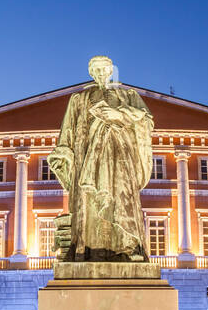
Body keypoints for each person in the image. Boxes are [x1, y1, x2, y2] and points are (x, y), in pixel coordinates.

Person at [48, 56, 155, 261]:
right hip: (88, 157)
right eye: (96, 70)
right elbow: (68, 129)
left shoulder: (128, 95)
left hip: (120, 154)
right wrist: (63, 153)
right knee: (90, 203)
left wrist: (117, 114)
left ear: (110, 71)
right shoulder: (79, 99)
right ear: (91, 73)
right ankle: (87, 251)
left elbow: (146, 121)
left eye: (104, 69)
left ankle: (128, 247)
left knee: (122, 199)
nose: (100, 74)